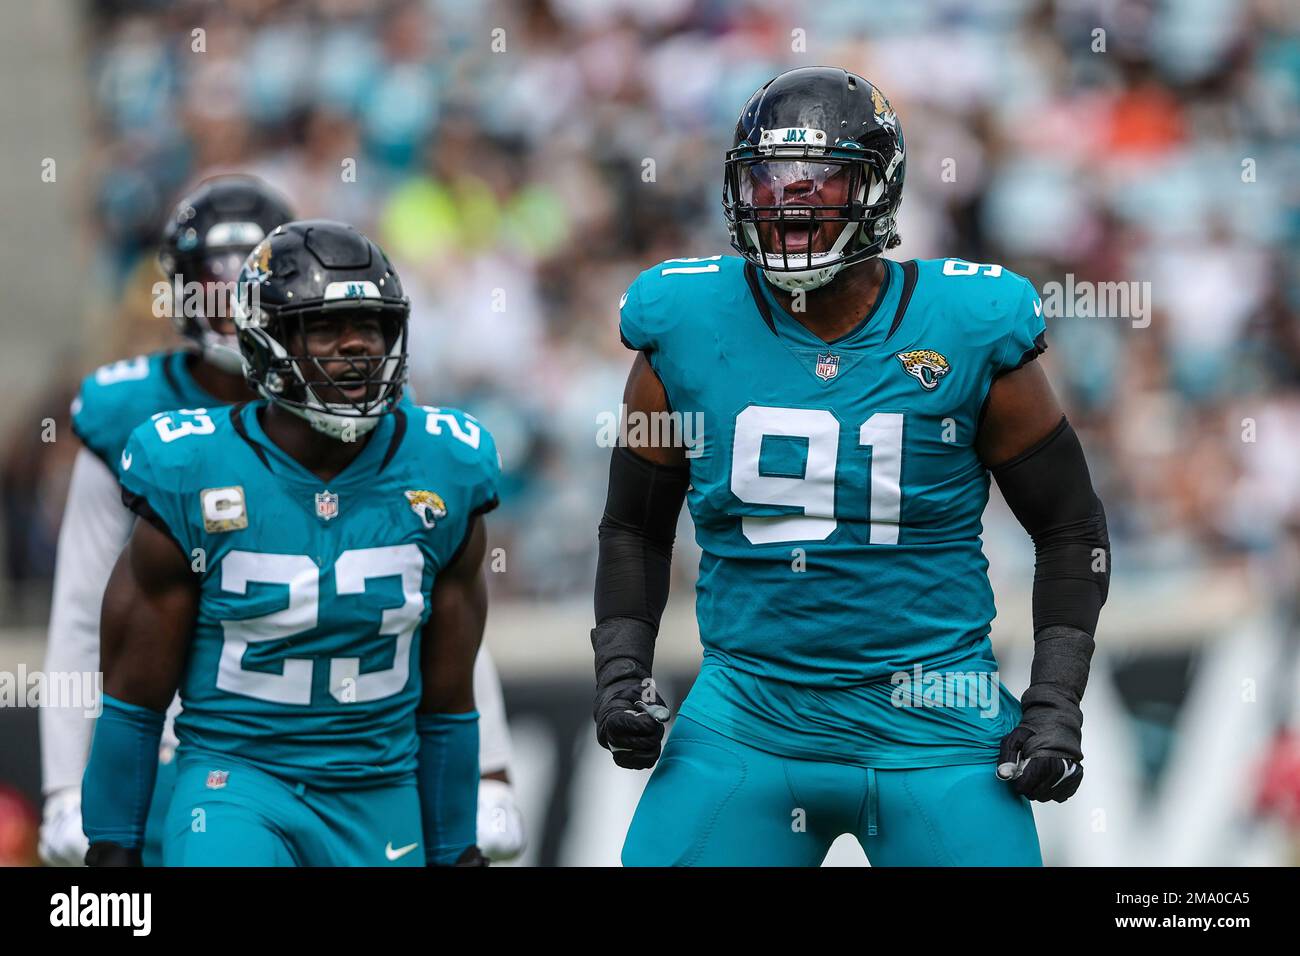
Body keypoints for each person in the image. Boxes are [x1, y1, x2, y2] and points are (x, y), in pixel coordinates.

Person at [591, 67, 1111, 865]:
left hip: (937, 717)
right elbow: (634, 526)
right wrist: (623, 672)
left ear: (877, 190)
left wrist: (1055, 700)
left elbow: (1072, 531)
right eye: (769, 178)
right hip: (748, 717)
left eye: (820, 181)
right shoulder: (686, 320)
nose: (790, 201)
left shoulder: (968, 324)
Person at [41, 176, 524, 866]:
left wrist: (470, 816)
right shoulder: (178, 454)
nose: (355, 348)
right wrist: (101, 832)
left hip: (378, 784)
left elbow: (453, 678)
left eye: (372, 327)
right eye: (324, 328)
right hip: (234, 776)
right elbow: (115, 663)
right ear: (264, 336)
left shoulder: (443, 458)